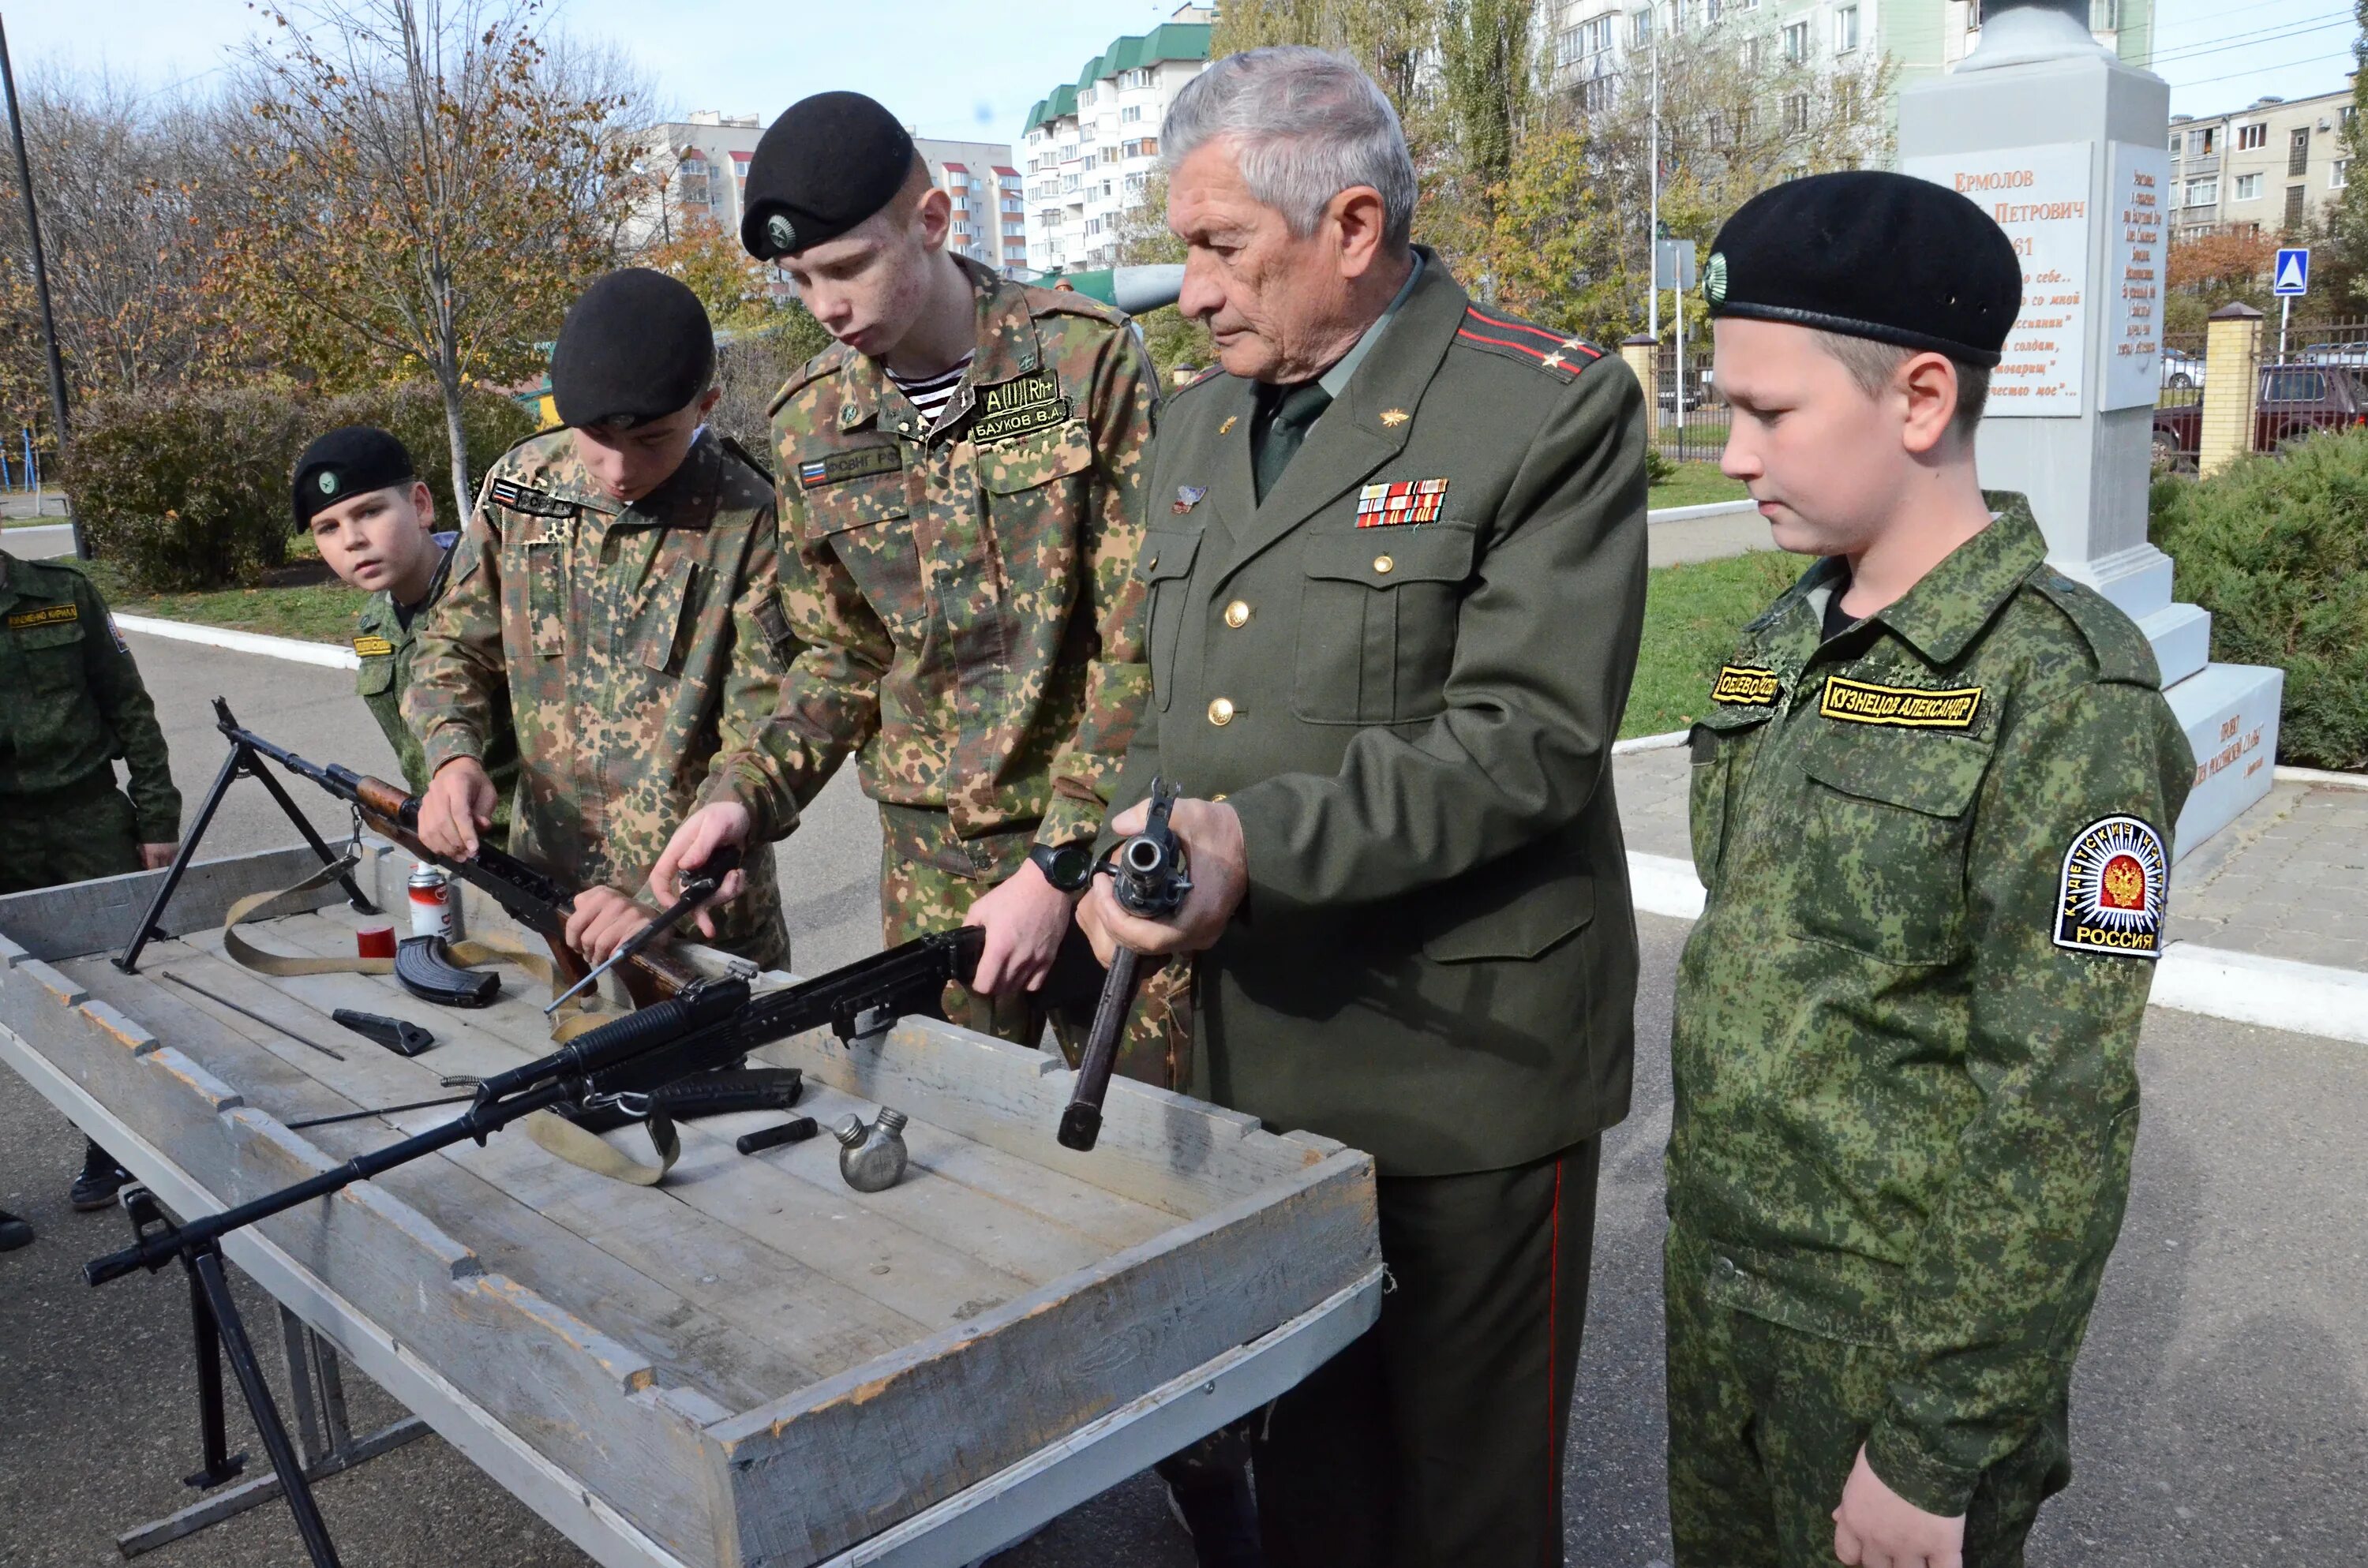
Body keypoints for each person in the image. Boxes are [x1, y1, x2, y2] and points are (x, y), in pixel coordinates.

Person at [1073, 48, 1650, 1568]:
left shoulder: (1542, 409)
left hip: (1468, 1070)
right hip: (1270, 1061)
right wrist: (1125, 852)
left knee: (1470, 1510)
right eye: (1184, 248)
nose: (1189, 293)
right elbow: (1180, 708)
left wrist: (1252, 848)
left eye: (1219, 248)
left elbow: (1530, 736)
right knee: (1319, 1488)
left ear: (1347, 225)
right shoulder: (1198, 433)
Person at [1664, 171, 2194, 1568]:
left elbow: (2057, 1108)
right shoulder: (1783, 636)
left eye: (1766, 412)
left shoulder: (2065, 692)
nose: (1731, 452)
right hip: (1724, 1300)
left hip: (1888, 1346)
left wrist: (1934, 1441)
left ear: (1916, 400)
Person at [647, 91, 1178, 1072]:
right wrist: (741, 796)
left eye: (847, 266)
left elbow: (1145, 640)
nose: (825, 305)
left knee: (1154, 1140)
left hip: (1101, 847)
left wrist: (1058, 860)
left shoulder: (1082, 363)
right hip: (933, 868)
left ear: (933, 222)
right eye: (800, 279)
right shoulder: (812, 424)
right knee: (962, 1153)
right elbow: (840, 655)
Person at [403, 268, 794, 972]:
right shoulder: (521, 490)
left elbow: (762, 738)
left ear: (705, 404)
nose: (618, 469)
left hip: (696, 928)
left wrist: (660, 892)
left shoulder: (749, 519)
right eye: (595, 437)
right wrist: (452, 754)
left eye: (652, 439)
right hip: (544, 900)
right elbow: (448, 645)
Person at [2, 545, 184, 1232]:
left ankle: (113, 1147)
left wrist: (157, 813)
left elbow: (128, 702)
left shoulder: (62, 591)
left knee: (116, 991)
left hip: (87, 819)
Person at [293, 425, 520, 844]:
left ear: (420, 505)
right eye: (328, 527)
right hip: (450, 847)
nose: (352, 540)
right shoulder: (377, 619)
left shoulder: (504, 598)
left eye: (370, 512)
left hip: (533, 858)